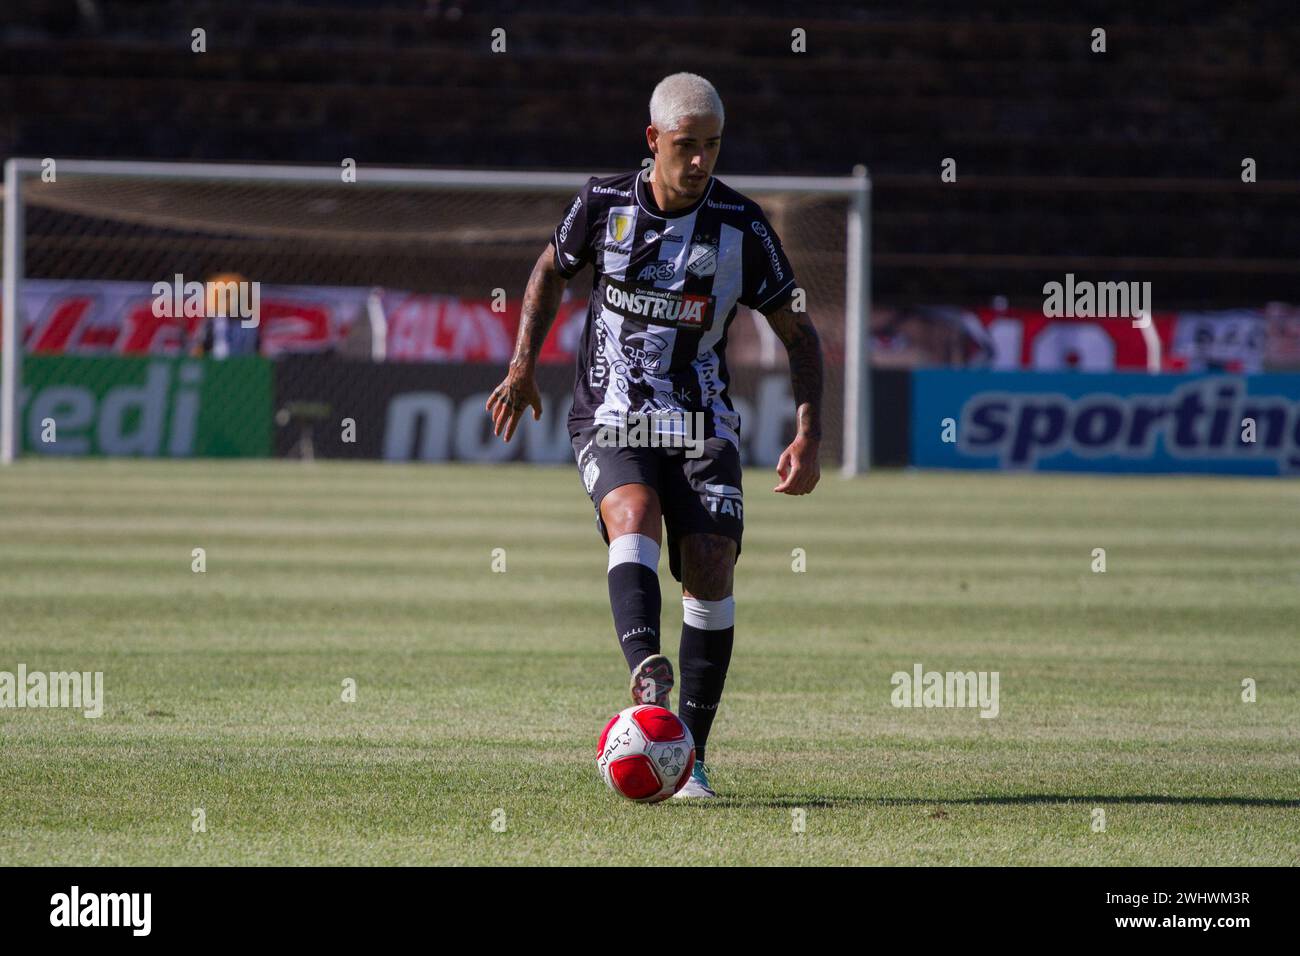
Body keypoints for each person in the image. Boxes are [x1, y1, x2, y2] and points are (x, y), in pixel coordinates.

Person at [486, 73, 823, 798]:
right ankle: (647, 678)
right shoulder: (602, 203)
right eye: (685, 147)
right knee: (631, 514)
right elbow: (550, 270)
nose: (700, 161)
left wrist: (809, 431)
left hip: (700, 421)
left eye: (711, 146)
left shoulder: (745, 227)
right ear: (653, 142)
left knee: (711, 561)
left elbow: (798, 333)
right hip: (612, 411)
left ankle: (691, 755)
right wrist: (522, 369)